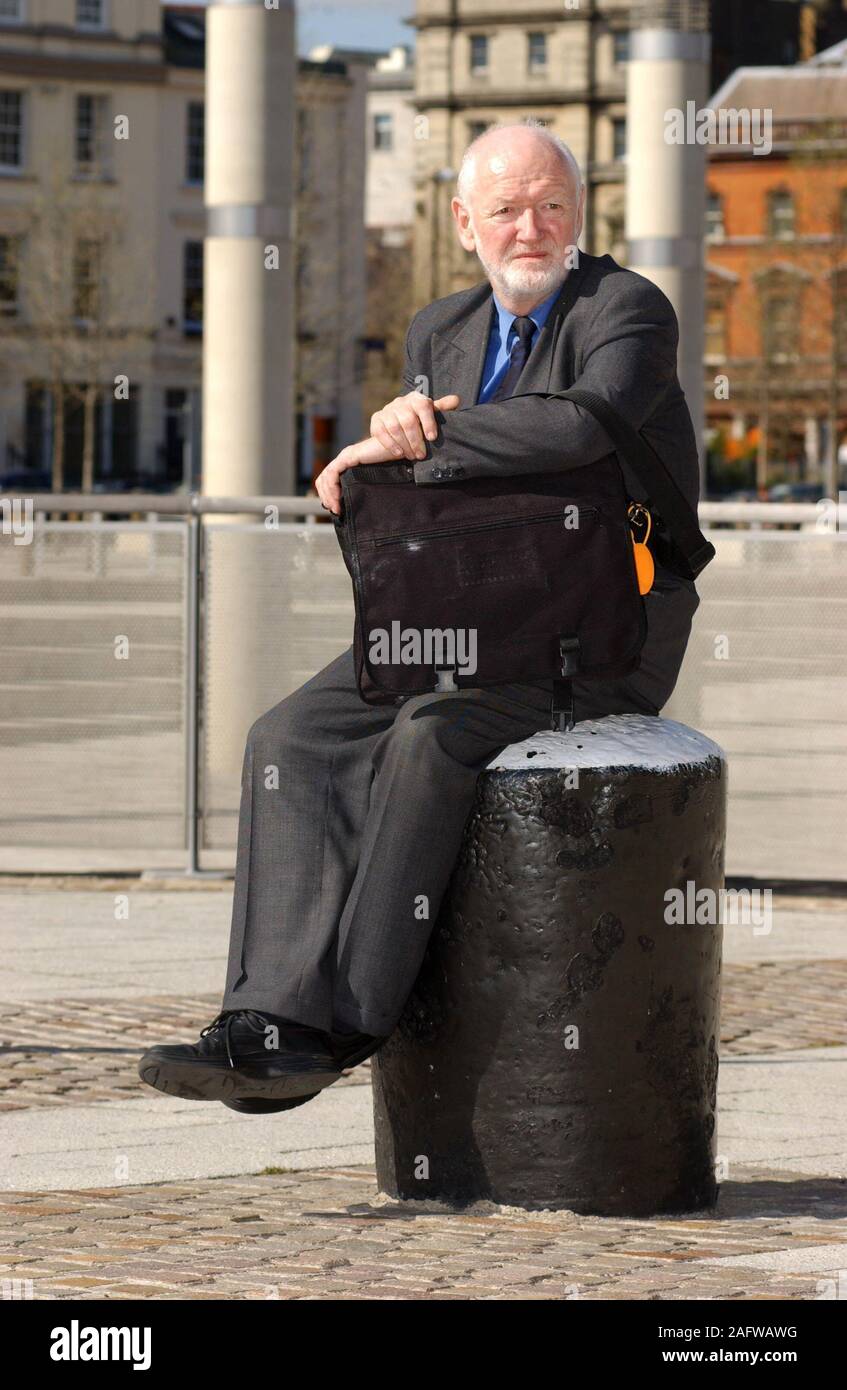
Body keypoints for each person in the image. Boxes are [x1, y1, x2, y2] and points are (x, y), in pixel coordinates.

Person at [139, 119, 701, 1114]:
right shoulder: (439, 330)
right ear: (462, 222)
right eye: (505, 211)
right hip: (473, 612)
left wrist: (421, 434)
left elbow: (585, 424)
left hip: (605, 625)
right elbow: (435, 496)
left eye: (552, 206)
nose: (530, 229)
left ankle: (347, 1016)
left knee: (430, 732)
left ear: (581, 214)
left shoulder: (626, 308)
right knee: (291, 734)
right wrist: (389, 456)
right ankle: (270, 1015)